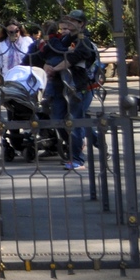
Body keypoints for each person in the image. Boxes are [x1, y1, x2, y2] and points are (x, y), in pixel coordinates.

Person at [32, 10, 101, 170]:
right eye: (66, 21)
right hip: (58, 87)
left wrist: (53, 69)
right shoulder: (64, 39)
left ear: (80, 24)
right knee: (58, 120)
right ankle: (91, 144)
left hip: (77, 87)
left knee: (75, 122)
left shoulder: (85, 42)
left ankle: (77, 159)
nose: (67, 25)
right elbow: (43, 56)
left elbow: (72, 59)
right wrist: (47, 65)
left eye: (72, 21)